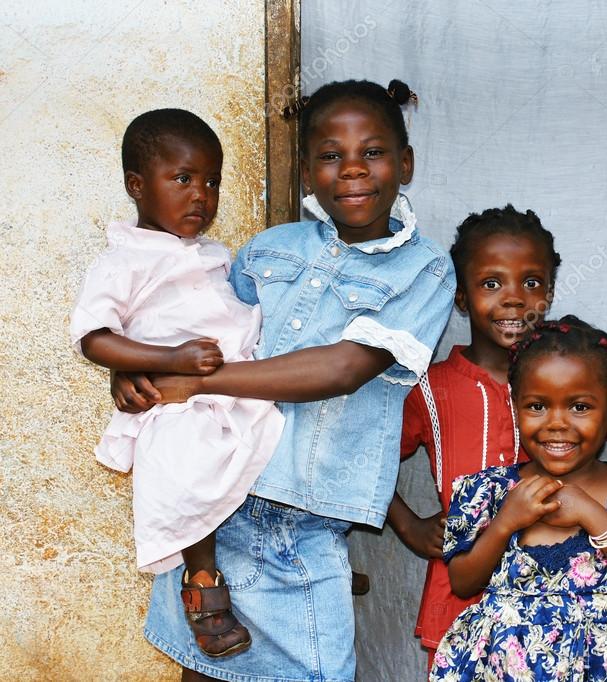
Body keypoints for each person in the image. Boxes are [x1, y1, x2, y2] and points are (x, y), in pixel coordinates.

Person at [112, 79, 455, 682]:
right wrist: (134, 365)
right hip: (217, 502)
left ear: (406, 163)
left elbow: (346, 369)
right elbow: (194, 328)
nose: (352, 170)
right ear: (305, 174)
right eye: (330, 155)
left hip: (301, 511)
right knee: (208, 668)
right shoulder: (268, 249)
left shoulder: (424, 269)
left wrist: (197, 386)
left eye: (372, 152)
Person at [387, 206, 607, 672]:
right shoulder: (431, 387)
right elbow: (367, 455)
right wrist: (407, 523)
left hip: (566, 597)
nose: (513, 299)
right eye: (491, 283)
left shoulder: (564, 376)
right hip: (466, 591)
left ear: (549, 292)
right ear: (462, 296)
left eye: (531, 283)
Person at [71, 108, 285, 658]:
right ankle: (204, 585)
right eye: (183, 179)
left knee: (285, 434)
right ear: (137, 187)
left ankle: (297, 562)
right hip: (178, 396)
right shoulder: (123, 260)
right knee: (183, 469)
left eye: (212, 181)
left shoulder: (211, 254)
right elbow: (95, 337)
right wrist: (169, 358)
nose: (201, 195)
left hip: (234, 379)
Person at [429, 316, 607, 681]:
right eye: (537, 406)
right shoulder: (490, 491)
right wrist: (506, 523)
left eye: (579, 407)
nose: (557, 423)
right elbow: (462, 581)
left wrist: (591, 513)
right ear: (514, 407)